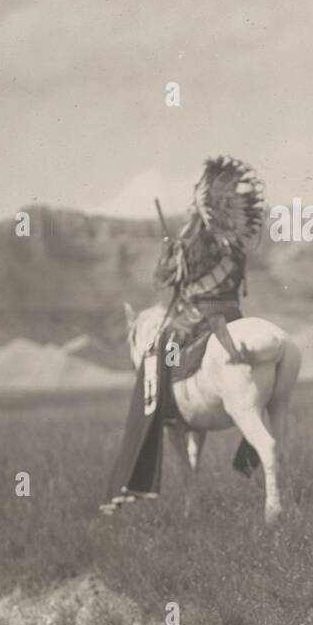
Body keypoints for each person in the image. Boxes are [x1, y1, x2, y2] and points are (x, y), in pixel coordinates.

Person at [102, 157, 264, 512]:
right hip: (233, 315)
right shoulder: (234, 242)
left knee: (156, 355)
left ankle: (164, 413)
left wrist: (169, 252)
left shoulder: (198, 235)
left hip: (199, 318)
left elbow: (166, 278)